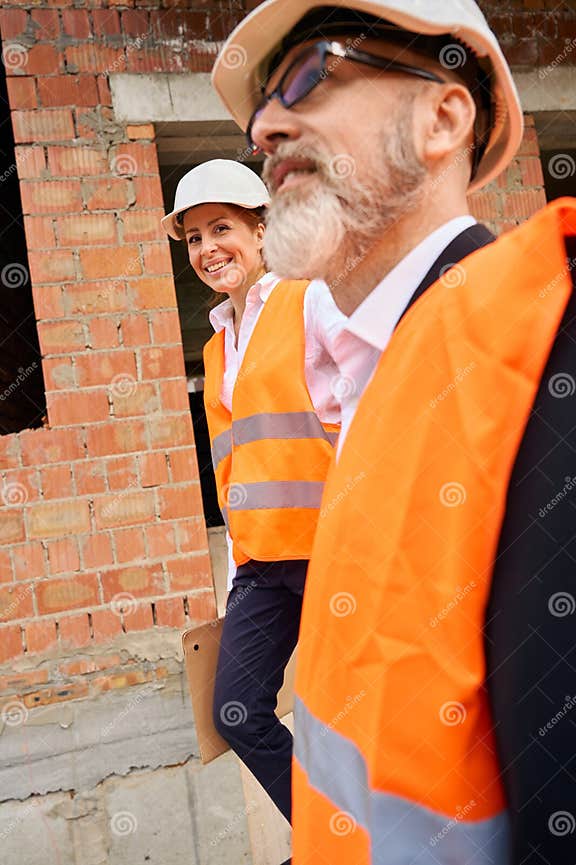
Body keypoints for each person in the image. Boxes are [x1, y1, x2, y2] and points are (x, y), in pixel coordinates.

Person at [212, 4, 576, 864]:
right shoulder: (389, 373)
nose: (264, 126)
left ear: (443, 117)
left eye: (309, 73)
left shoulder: (542, 346)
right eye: (260, 105)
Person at [162, 159, 342, 854]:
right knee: (236, 710)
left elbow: (366, 410)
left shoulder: (311, 300)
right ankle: (337, 834)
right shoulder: (215, 346)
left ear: (262, 229)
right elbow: (238, 468)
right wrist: (239, 570)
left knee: (349, 716)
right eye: (195, 238)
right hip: (265, 567)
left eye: (223, 229)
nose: (209, 248)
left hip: (334, 548)